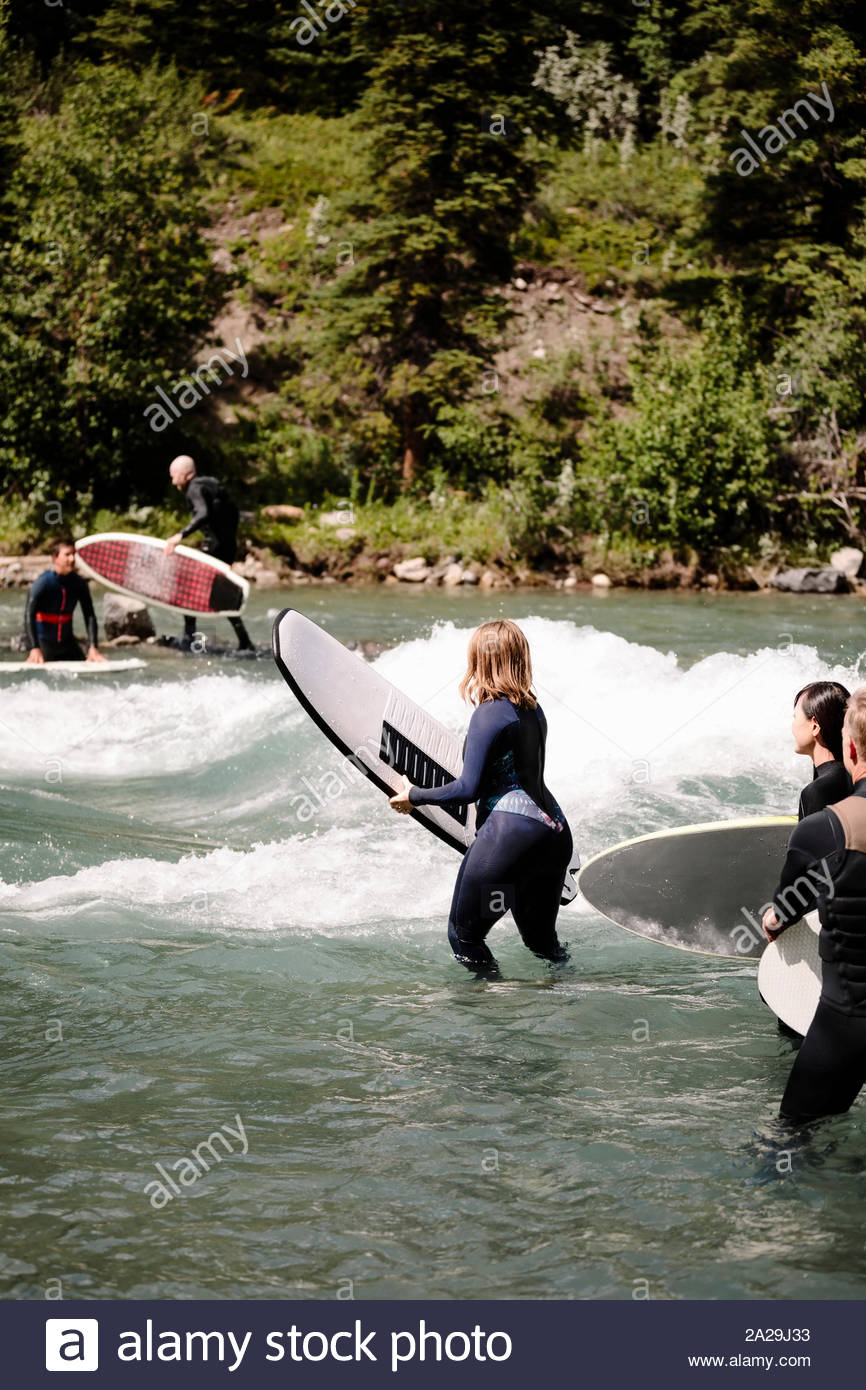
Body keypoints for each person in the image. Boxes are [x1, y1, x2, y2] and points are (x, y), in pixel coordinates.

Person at [389, 619, 573, 975]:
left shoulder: (488, 714)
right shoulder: (533, 709)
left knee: (464, 935)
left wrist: (415, 795)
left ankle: (491, 1008)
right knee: (541, 942)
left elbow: (468, 788)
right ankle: (567, 995)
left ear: (481, 660)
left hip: (511, 833)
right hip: (554, 830)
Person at [762, 685, 866, 1125]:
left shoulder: (822, 828)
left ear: (851, 747)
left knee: (791, 1139)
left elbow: (787, 905)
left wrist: (773, 919)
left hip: (849, 1015)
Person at [164, 455, 253, 652]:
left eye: (174, 476)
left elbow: (202, 514)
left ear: (185, 475)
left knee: (188, 587)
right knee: (220, 593)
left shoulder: (194, 489)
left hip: (214, 547)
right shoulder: (210, 485)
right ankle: (244, 640)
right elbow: (231, 514)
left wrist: (180, 535)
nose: (172, 481)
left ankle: (189, 638)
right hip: (227, 547)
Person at [24, 538, 106, 664]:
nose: (72, 559)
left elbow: (89, 615)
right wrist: (34, 647)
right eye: (67, 555)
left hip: (67, 643)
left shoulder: (79, 583)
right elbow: (28, 615)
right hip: (43, 643)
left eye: (73, 554)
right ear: (55, 558)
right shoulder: (43, 583)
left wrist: (93, 646)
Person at [792, 680, 852, 819]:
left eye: (795, 717)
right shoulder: (855, 777)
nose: (793, 726)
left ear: (815, 727)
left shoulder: (818, 792)